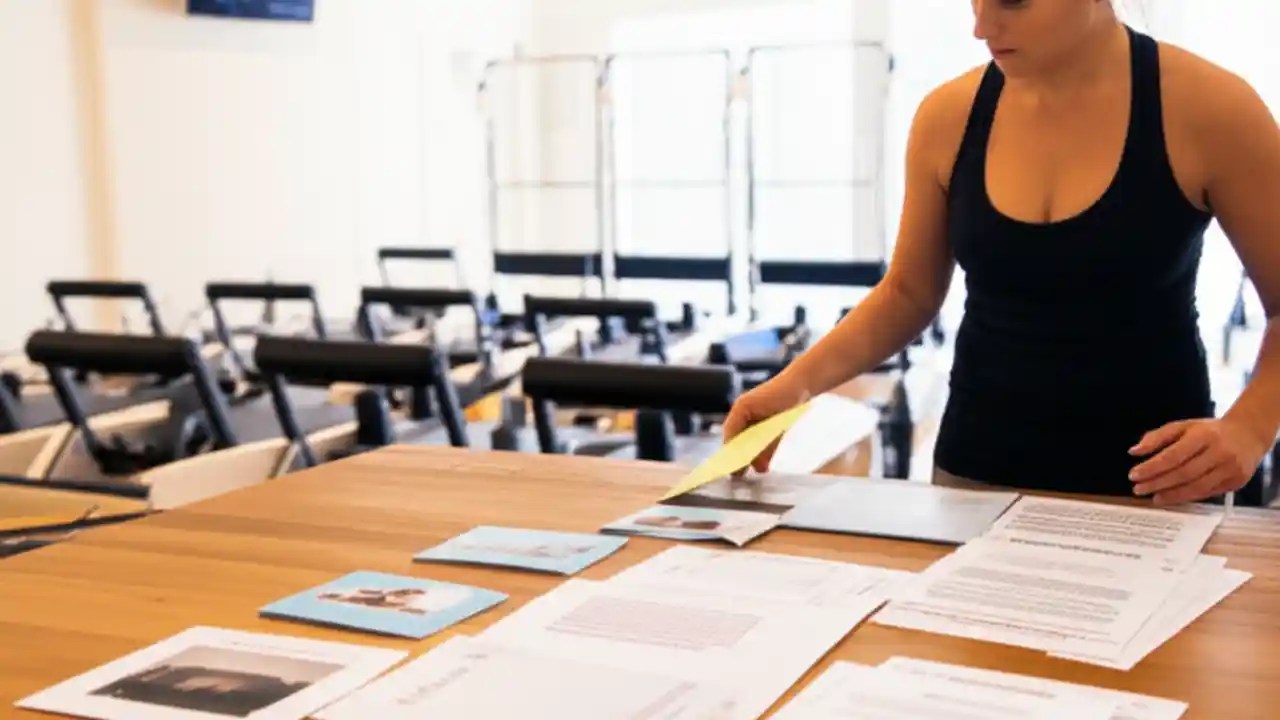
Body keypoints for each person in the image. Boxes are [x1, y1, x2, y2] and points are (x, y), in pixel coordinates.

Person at [724, 0, 1279, 506]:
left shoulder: (1210, 108)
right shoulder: (947, 117)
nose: (981, 26)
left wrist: (1251, 426)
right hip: (974, 478)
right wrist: (791, 388)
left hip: (1156, 487)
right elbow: (908, 293)